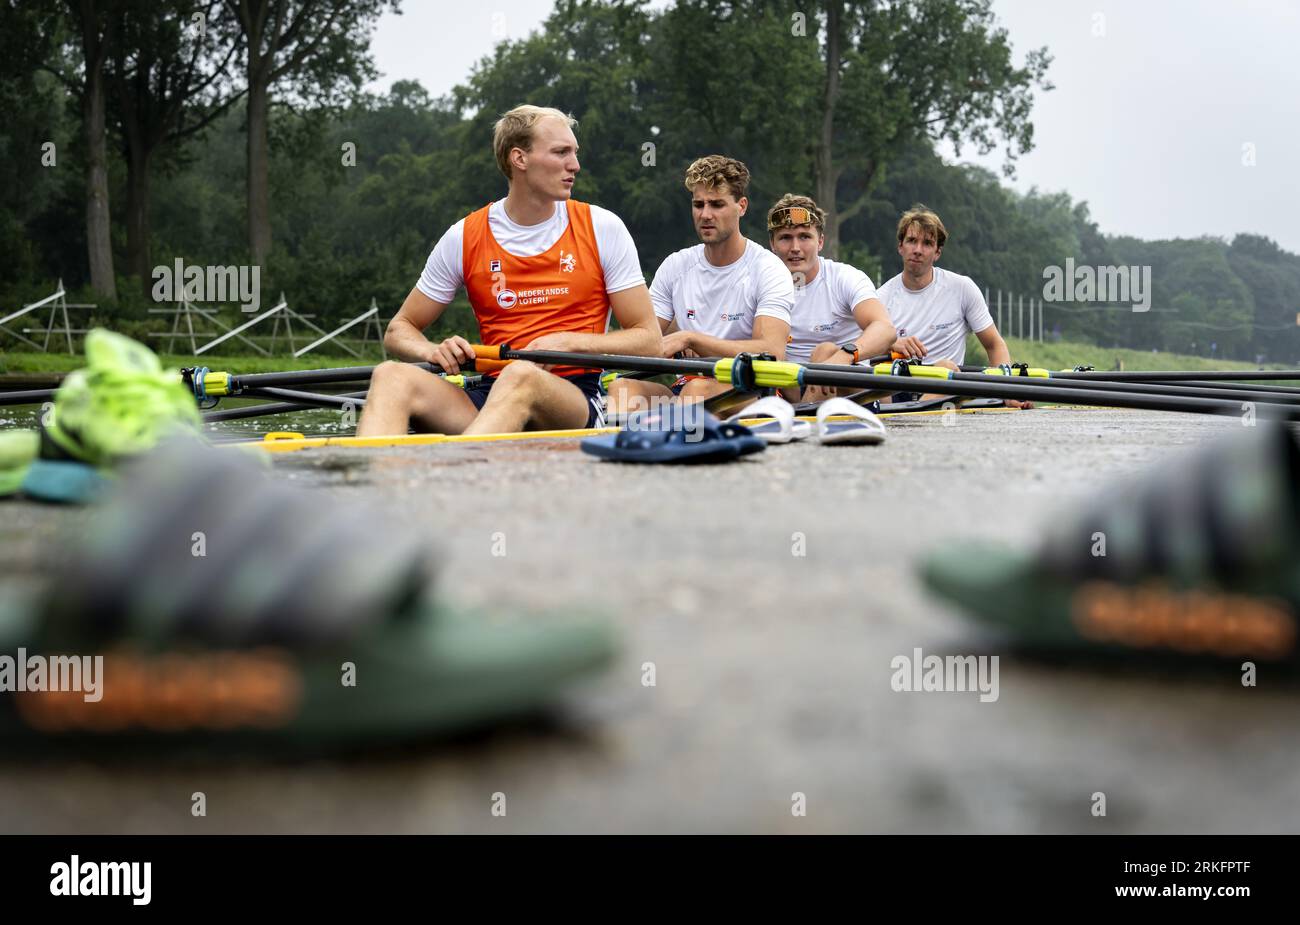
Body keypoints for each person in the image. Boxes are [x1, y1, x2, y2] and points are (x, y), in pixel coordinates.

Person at [356, 104, 661, 437]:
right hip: (491, 393)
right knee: (390, 375)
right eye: (561, 152)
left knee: (521, 377)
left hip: (574, 398)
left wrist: (567, 343)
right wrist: (432, 350)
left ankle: (460, 477)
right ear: (520, 159)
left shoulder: (602, 227)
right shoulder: (464, 236)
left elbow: (649, 340)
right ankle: (371, 483)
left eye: (574, 152)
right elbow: (399, 330)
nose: (574, 165)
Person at [605, 155, 793, 414]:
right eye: (698, 204)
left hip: (751, 390)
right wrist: (574, 342)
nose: (705, 215)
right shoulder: (676, 265)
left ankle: (679, 447)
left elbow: (772, 352)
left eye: (717, 205)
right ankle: (627, 453)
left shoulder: (768, 269)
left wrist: (690, 339)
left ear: (742, 206)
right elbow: (643, 337)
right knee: (622, 390)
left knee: (697, 392)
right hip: (688, 386)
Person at [878, 205, 1031, 408]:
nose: (917, 250)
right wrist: (890, 343)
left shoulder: (961, 288)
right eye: (912, 241)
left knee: (946, 367)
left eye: (927, 243)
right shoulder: (881, 297)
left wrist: (1007, 393)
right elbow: (862, 349)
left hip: (943, 384)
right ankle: (903, 415)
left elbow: (994, 345)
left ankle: (906, 418)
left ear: (937, 252)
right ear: (900, 246)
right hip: (894, 389)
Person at [765, 193, 895, 403]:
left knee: (824, 352)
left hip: (854, 392)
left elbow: (885, 328)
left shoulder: (845, 278)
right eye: (786, 237)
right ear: (773, 243)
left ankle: (799, 425)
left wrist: (844, 356)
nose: (795, 247)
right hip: (790, 390)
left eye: (805, 237)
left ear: (821, 241)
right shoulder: (761, 284)